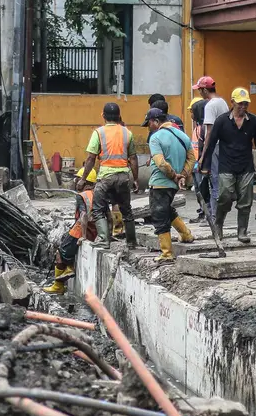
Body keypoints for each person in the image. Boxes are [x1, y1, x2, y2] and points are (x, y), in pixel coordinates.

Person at [199, 87, 256, 244]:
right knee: (224, 197)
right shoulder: (222, 121)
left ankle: (242, 230)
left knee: (245, 200)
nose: (243, 107)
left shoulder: (253, 121)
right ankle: (218, 224)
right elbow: (211, 143)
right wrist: (206, 165)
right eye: (240, 104)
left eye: (246, 104)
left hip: (246, 166)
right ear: (232, 102)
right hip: (226, 165)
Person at [77, 102, 140, 249]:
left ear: (103, 116)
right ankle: (131, 242)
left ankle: (104, 239)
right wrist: (135, 179)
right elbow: (133, 158)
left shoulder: (99, 133)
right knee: (126, 210)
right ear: (119, 116)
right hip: (123, 176)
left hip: (105, 177)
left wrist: (83, 179)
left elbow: (91, 158)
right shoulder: (127, 133)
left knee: (98, 209)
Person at [144, 107, 196, 263]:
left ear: (156, 121)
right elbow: (192, 159)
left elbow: (160, 162)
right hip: (173, 185)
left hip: (160, 182)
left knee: (159, 216)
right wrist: (182, 175)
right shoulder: (183, 136)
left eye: (149, 123)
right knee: (167, 209)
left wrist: (173, 175)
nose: (148, 127)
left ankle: (166, 253)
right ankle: (186, 234)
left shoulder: (155, 137)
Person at [43, 168, 98, 294]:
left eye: (78, 179)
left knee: (60, 253)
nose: (76, 181)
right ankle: (68, 267)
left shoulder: (81, 196)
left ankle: (58, 286)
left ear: (85, 182)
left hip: (79, 231)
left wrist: (83, 236)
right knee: (67, 251)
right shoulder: (97, 194)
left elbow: (83, 215)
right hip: (93, 230)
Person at [194, 76, 230, 227]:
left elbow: (209, 132)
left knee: (214, 183)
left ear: (204, 90)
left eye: (199, 90)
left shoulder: (209, 106)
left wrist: (203, 156)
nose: (199, 93)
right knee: (220, 183)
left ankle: (215, 218)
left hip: (216, 147)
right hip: (226, 146)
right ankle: (218, 217)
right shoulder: (223, 102)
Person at [189, 98, 210, 221]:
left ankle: (207, 214)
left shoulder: (203, 128)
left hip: (200, 165)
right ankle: (202, 212)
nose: (191, 114)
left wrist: (200, 162)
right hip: (195, 165)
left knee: (203, 191)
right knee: (198, 190)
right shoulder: (197, 127)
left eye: (192, 111)